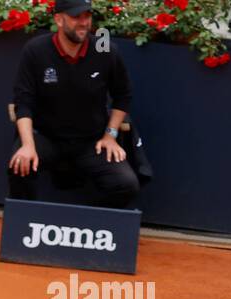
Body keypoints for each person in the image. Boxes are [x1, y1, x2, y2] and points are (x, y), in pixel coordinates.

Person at [8, 0, 140, 209]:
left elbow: (123, 96)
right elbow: (23, 102)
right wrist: (27, 145)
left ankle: (89, 229)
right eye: (76, 17)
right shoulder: (35, 50)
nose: (84, 22)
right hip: (47, 138)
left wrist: (110, 135)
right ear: (58, 20)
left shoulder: (106, 51)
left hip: (92, 142)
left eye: (87, 16)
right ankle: (26, 225)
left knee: (126, 184)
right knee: (19, 165)